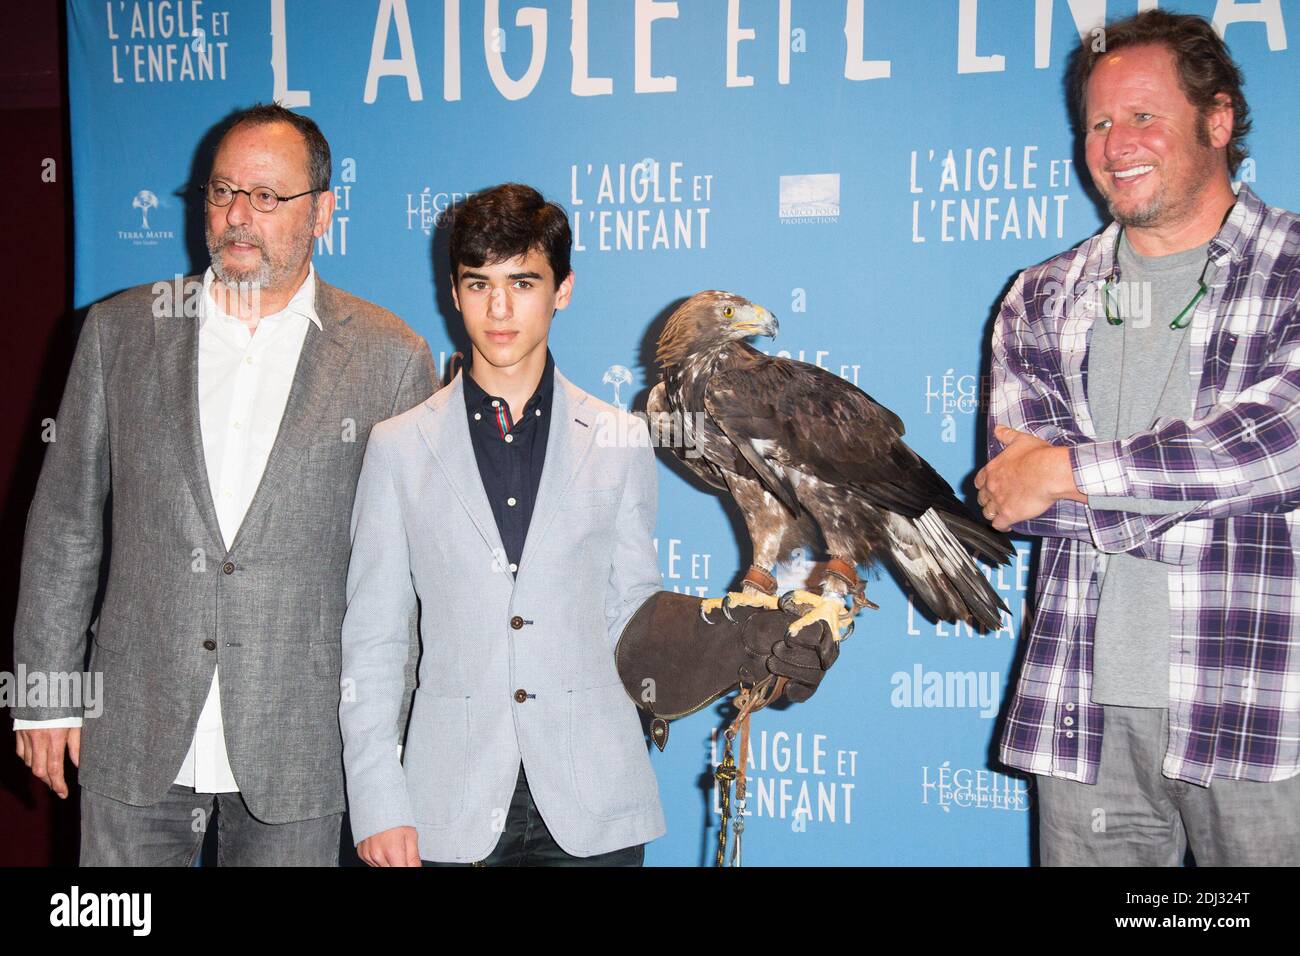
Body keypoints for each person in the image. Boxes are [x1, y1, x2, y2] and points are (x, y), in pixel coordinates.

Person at [339, 183, 836, 867]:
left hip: (594, 807)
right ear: (454, 294)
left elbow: (630, 616)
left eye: (523, 281)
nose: (500, 308)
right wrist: (377, 800)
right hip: (444, 806)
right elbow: (373, 642)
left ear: (563, 289)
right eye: (479, 284)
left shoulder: (621, 438)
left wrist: (733, 642)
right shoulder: (397, 447)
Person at [12, 103, 437, 866]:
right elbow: (65, 525)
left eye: (268, 197)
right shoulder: (119, 333)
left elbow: (400, 580)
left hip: (300, 743)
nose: (239, 216)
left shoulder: (391, 357)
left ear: (322, 213)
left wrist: (390, 748)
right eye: (222, 192)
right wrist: (44, 693)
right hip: (134, 732)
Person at [976, 10, 1300, 866]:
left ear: (1219, 120)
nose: (1116, 143)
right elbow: (1019, 494)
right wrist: (1190, 490)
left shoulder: (1296, 270)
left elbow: (1273, 446)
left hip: (1268, 706)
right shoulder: (1041, 295)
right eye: (1099, 123)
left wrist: (1073, 473)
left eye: (1144, 116)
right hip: (1083, 708)